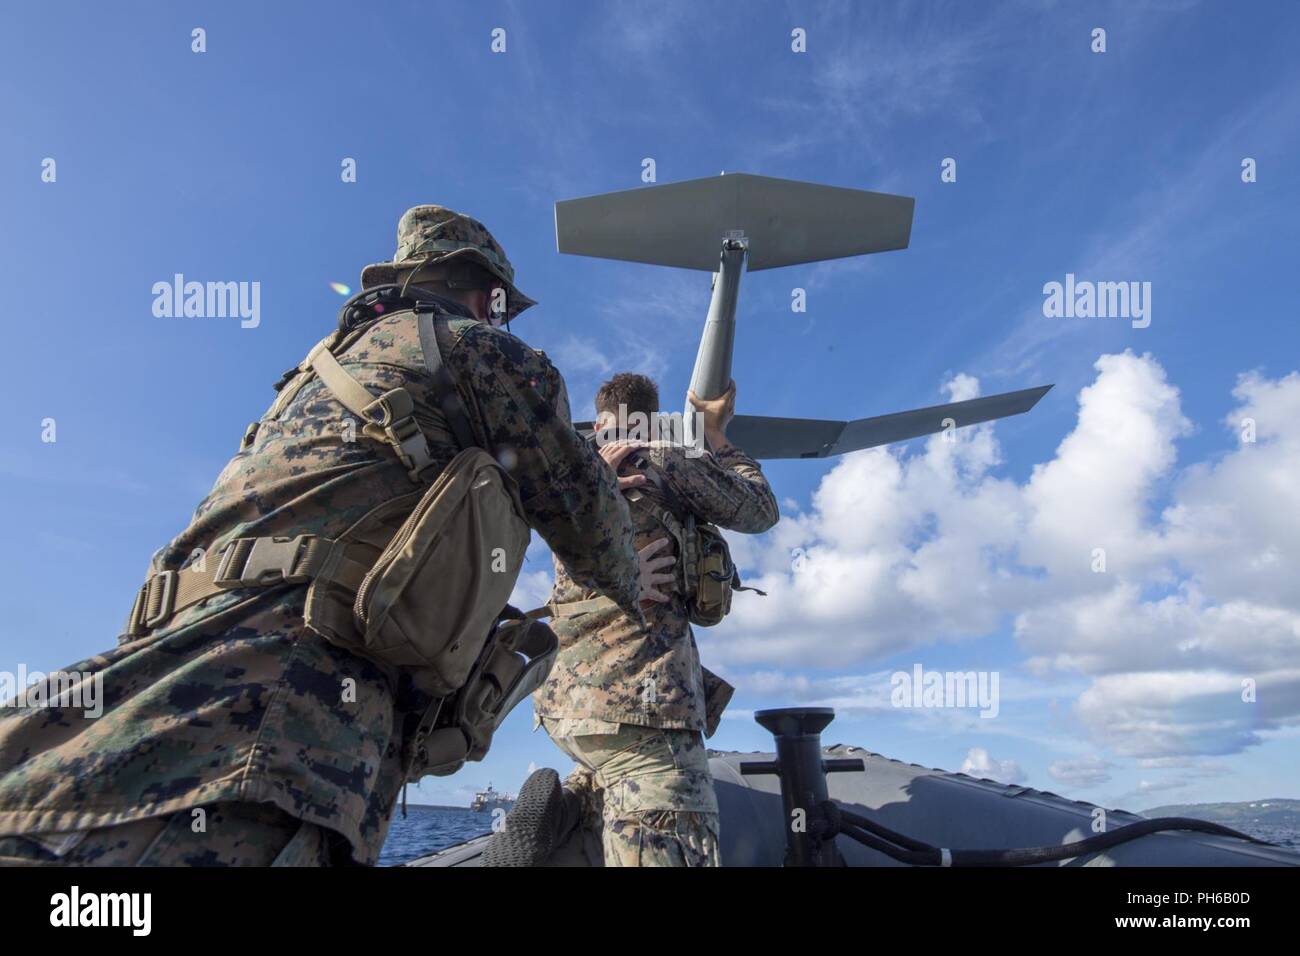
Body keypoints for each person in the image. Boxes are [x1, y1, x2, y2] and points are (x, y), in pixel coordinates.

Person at [0, 206, 660, 866]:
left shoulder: (302, 384)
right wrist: (602, 480)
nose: (499, 319)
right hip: (272, 730)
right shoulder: (483, 351)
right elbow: (600, 541)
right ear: (478, 289)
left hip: (114, 702)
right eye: (499, 306)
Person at [527, 372, 779, 866]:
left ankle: (574, 802)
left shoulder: (573, 472)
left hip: (566, 701)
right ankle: (591, 801)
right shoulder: (662, 458)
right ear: (650, 415)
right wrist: (715, 433)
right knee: (669, 813)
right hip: (643, 702)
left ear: (600, 418)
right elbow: (760, 509)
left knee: (613, 771)